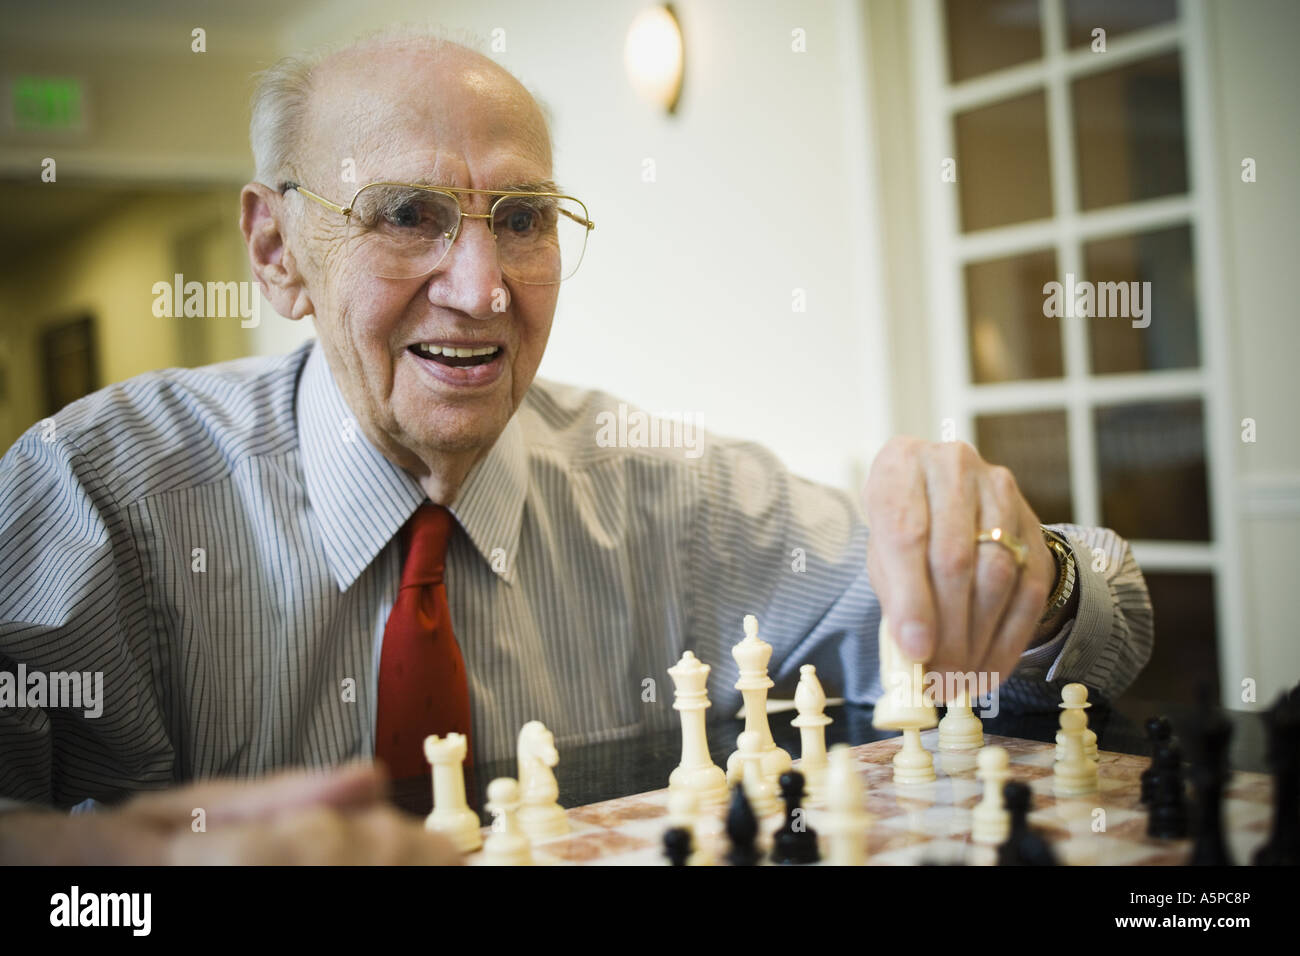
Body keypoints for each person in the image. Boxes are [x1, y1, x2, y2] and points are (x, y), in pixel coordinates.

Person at [0, 31, 1151, 864]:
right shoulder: (95, 495)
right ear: (275, 249)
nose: (481, 287)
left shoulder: (677, 497)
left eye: (521, 219)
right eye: (406, 215)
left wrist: (1022, 568)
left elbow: (1095, 631)